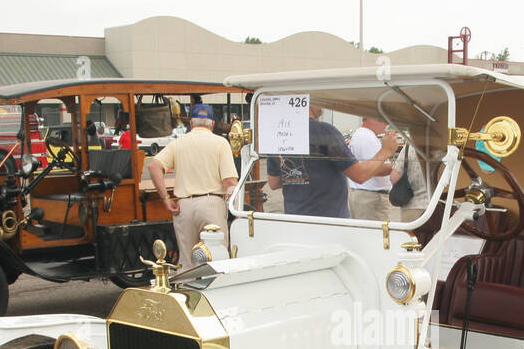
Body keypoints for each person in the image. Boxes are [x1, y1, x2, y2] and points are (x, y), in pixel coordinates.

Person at [266, 106, 397, 219]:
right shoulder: (324, 132)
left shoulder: (279, 134)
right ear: (310, 100)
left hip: (294, 217)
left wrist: (299, 176)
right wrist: (386, 150)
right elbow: (360, 175)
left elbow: (274, 182)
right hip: (328, 220)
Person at [147, 104, 238, 259]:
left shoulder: (178, 143)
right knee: (216, 258)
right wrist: (235, 210)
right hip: (212, 205)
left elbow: (154, 166)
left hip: (185, 207)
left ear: (191, 123)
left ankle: (187, 284)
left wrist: (165, 198)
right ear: (213, 124)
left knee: (187, 260)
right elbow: (229, 181)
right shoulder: (220, 143)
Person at [347, 116, 400, 221]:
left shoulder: (363, 135)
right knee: (376, 235)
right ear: (371, 118)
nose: (386, 124)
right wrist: (399, 166)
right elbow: (376, 169)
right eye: (382, 119)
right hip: (371, 198)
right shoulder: (367, 137)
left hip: (366, 196)